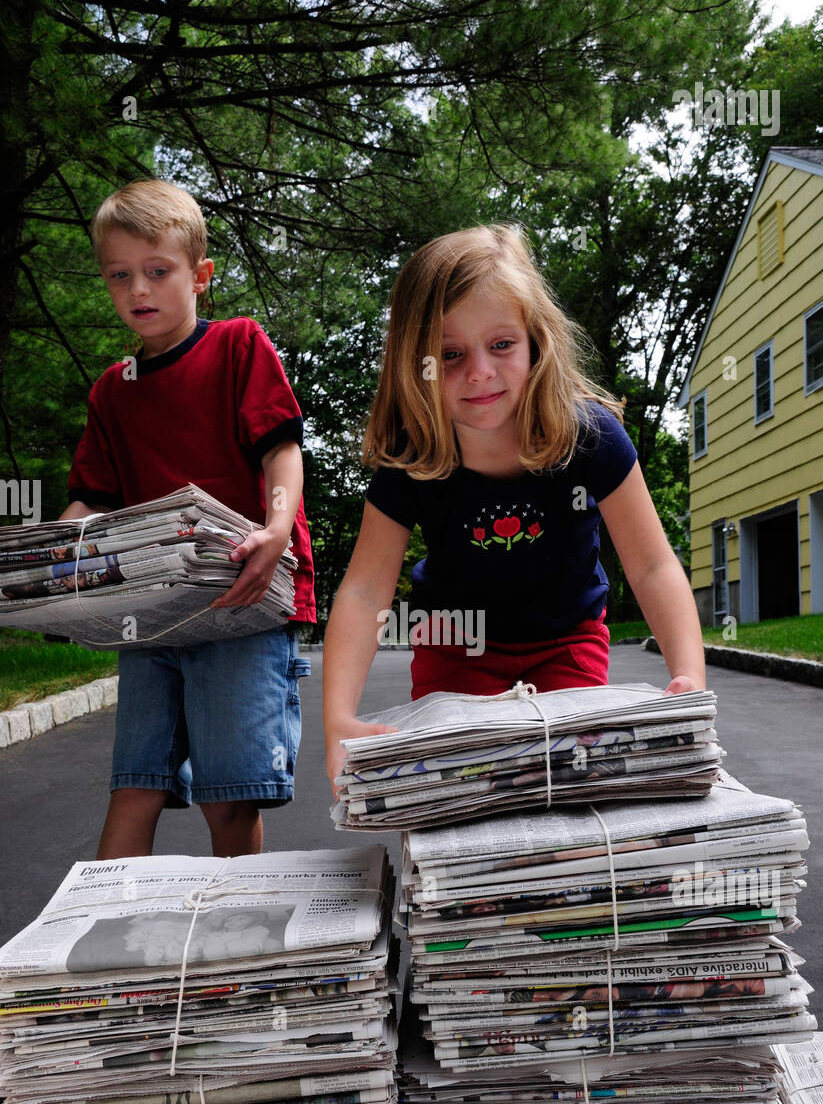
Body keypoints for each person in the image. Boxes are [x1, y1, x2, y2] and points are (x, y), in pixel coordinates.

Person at [323, 224, 704, 794]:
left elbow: (652, 566)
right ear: (414, 363)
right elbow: (363, 592)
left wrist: (689, 676)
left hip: (566, 638)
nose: (479, 371)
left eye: (501, 345)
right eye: (450, 354)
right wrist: (337, 722)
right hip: (455, 645)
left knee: (567, 784)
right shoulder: (411, 453)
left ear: (536, 341)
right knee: (468, 788)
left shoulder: (591, 436)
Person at [60, 179, 316, 857]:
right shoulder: (112, 391)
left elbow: (281, 453)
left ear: (199, 276)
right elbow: (91, 499)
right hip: (149, 615)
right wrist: (53, 553)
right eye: (120, 276)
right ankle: (109, 956)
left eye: (157, 271)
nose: (138, 290)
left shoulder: (237, 346)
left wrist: (278, 528)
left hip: (242, 601)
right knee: (134, 785)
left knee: (229, 802)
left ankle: (234, 966)